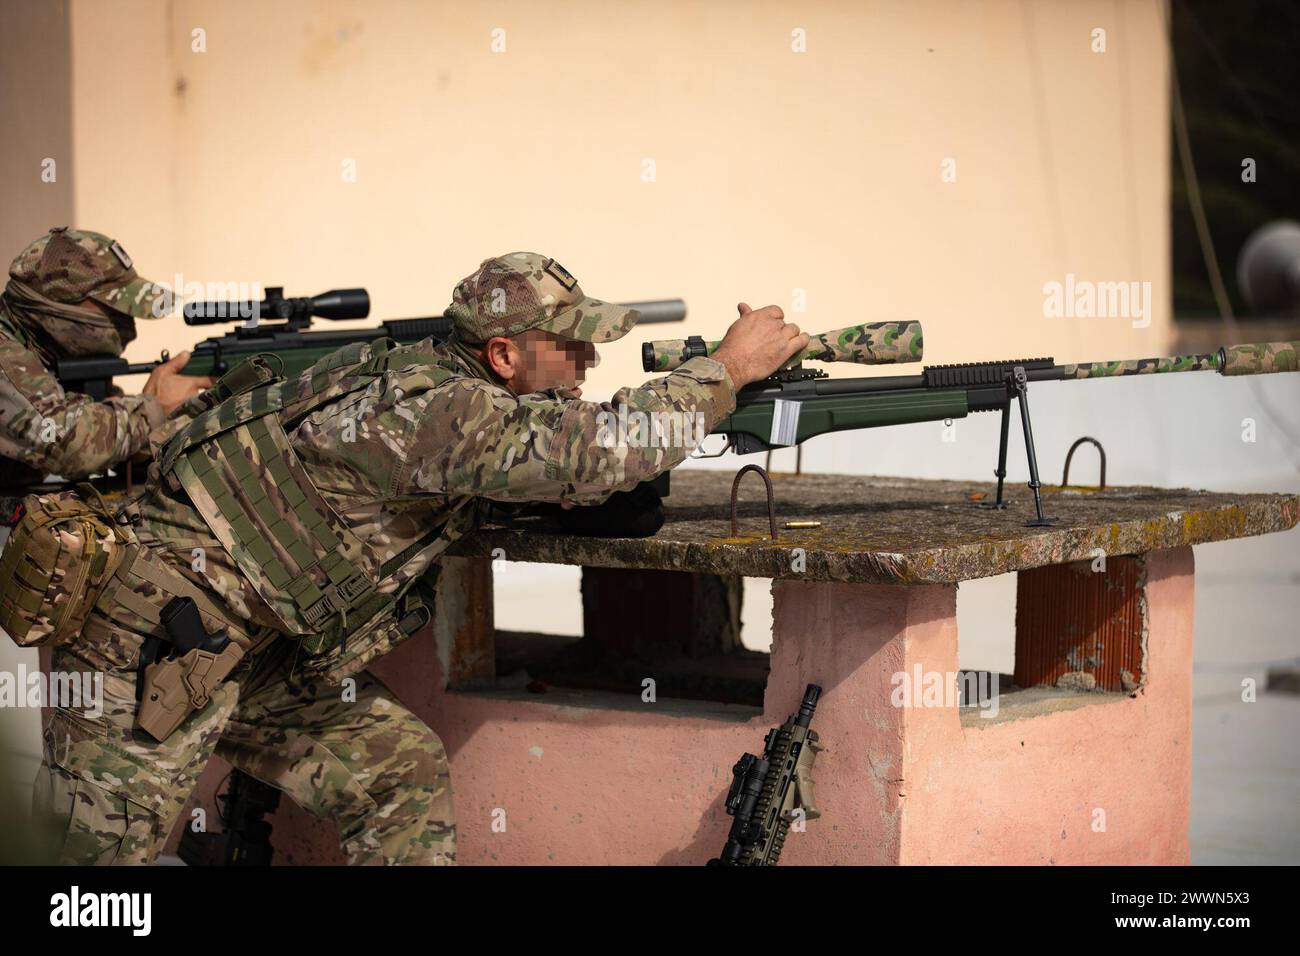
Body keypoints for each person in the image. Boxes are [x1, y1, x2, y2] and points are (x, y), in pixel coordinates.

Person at [25, 250, 808, 865]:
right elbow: (604, 447)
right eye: (570, 347)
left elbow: (535, 466)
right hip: (146, 646)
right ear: (503, 354)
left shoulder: (429, 382)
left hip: (252, 652)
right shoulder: (439, 409)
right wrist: (728, 370)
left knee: (395, 771)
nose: (588, 364)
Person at [0, 226, 212, 488]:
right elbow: (64, 442)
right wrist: (153, 408)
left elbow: (105, 437)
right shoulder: (5, 355)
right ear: (57, 308)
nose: (127, 326)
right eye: (114, 308)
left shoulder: (46, 354)